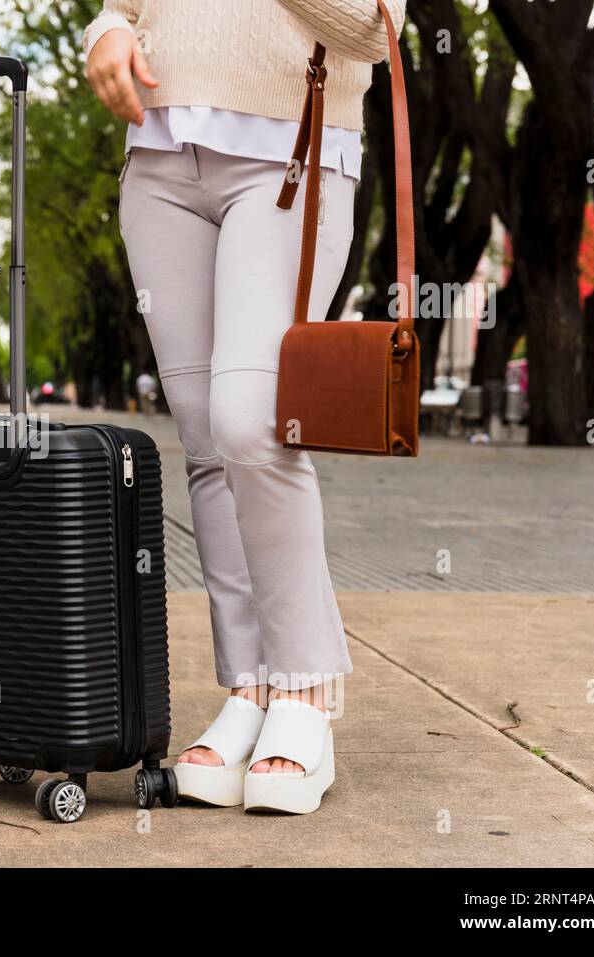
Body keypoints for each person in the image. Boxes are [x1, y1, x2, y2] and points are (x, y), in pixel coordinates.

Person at [84, 0, 406, 814]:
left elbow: (375, 30)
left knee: (252, 423)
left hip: (290, 155)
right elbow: (123, 7)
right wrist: (108, 36)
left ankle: (304, 689)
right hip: (160, 162)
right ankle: (250, 687)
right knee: (204, 442)